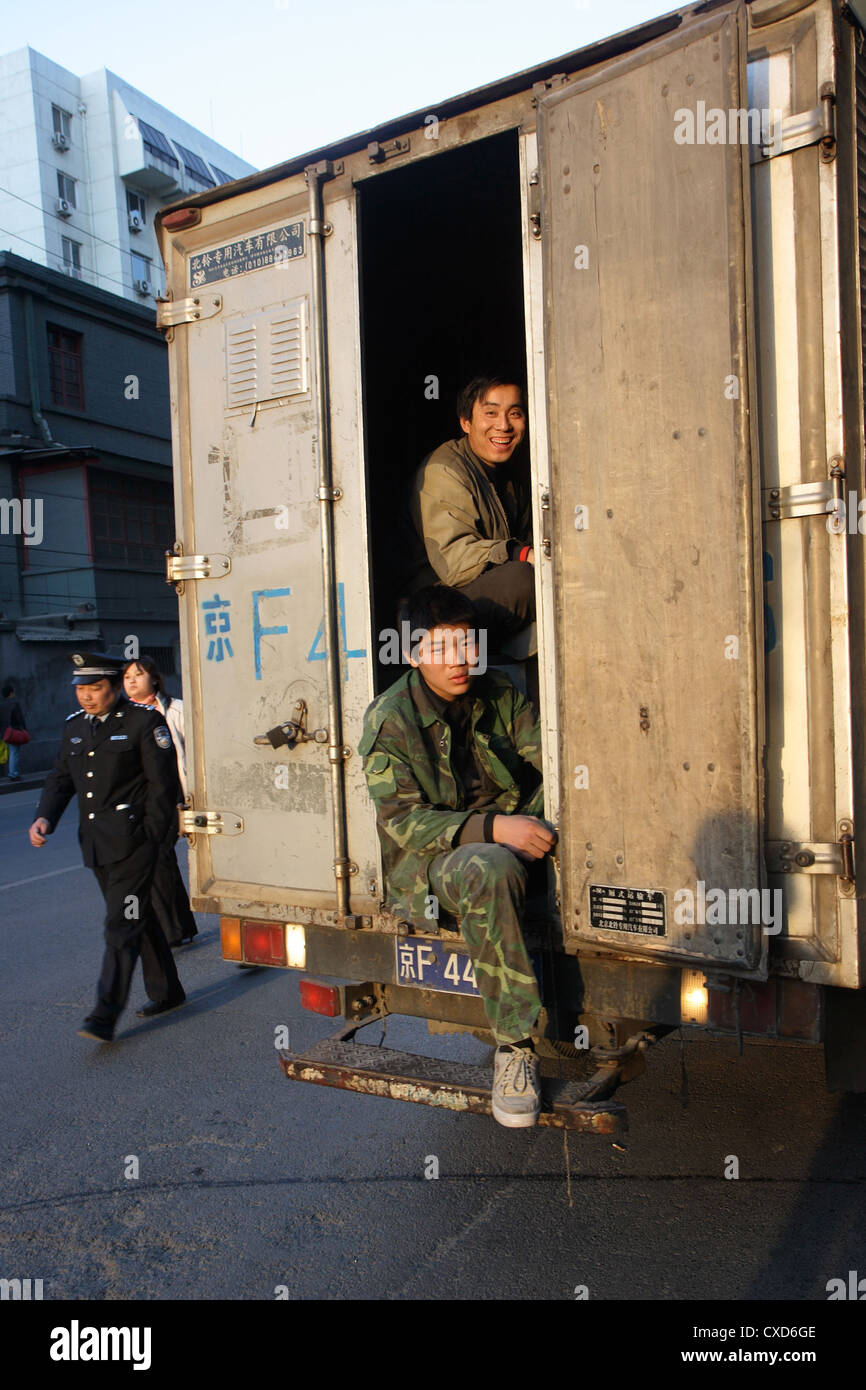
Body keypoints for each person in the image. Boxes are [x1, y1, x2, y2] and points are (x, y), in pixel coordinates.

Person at [359, 586, 556, 1127]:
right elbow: (402, 823)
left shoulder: (497, 691)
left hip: (509, 831)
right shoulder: (390, 720)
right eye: (444, 648)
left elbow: (549, 753)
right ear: (413, 652)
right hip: (432, 864)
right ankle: (515, 1050)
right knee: (487, 865)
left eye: (467, 645)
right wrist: (495, 827)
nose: (461, 660)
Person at [28, 651, 186, 1042]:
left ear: (115, 688)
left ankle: (104, 1013)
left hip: (135, 845)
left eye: (95, 687)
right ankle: (167, 991)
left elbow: (164, 788)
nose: (86, 695)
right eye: (81, 688)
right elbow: (61, 778)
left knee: (121, 924)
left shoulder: (145, 723)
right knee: (138, 918)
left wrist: (154, 839)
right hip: (98, 846)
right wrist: (45, 816)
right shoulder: (75, 729)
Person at [405, 374, 536, 647]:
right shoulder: (444, 469)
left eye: (515, 413)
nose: (503, 426)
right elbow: (456, 562)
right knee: (522, 579)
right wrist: (518, 553)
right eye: (491, 413)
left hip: (471, 600)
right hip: (434, 612)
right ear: (466, 422)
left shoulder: (510, 480)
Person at [123, 657, 197, 948]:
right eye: (127, 676)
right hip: (145, 801)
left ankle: (176, 926)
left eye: (138, 674)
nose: (131, 680)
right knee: (159, 861)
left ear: (154, 679)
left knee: (162, 862)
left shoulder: (176, 710)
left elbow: (193, 752)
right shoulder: (123, 716)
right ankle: (176, 927)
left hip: (177, 796)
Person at [1, 681, 27, 782]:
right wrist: (24, 729)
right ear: (11, 693)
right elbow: (19, 718)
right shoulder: (14, 704)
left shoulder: (2, 704)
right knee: (14, 752)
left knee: (9, 752)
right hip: (14, 731)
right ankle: (13, 774)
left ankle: (12, 773)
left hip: (4, 732)